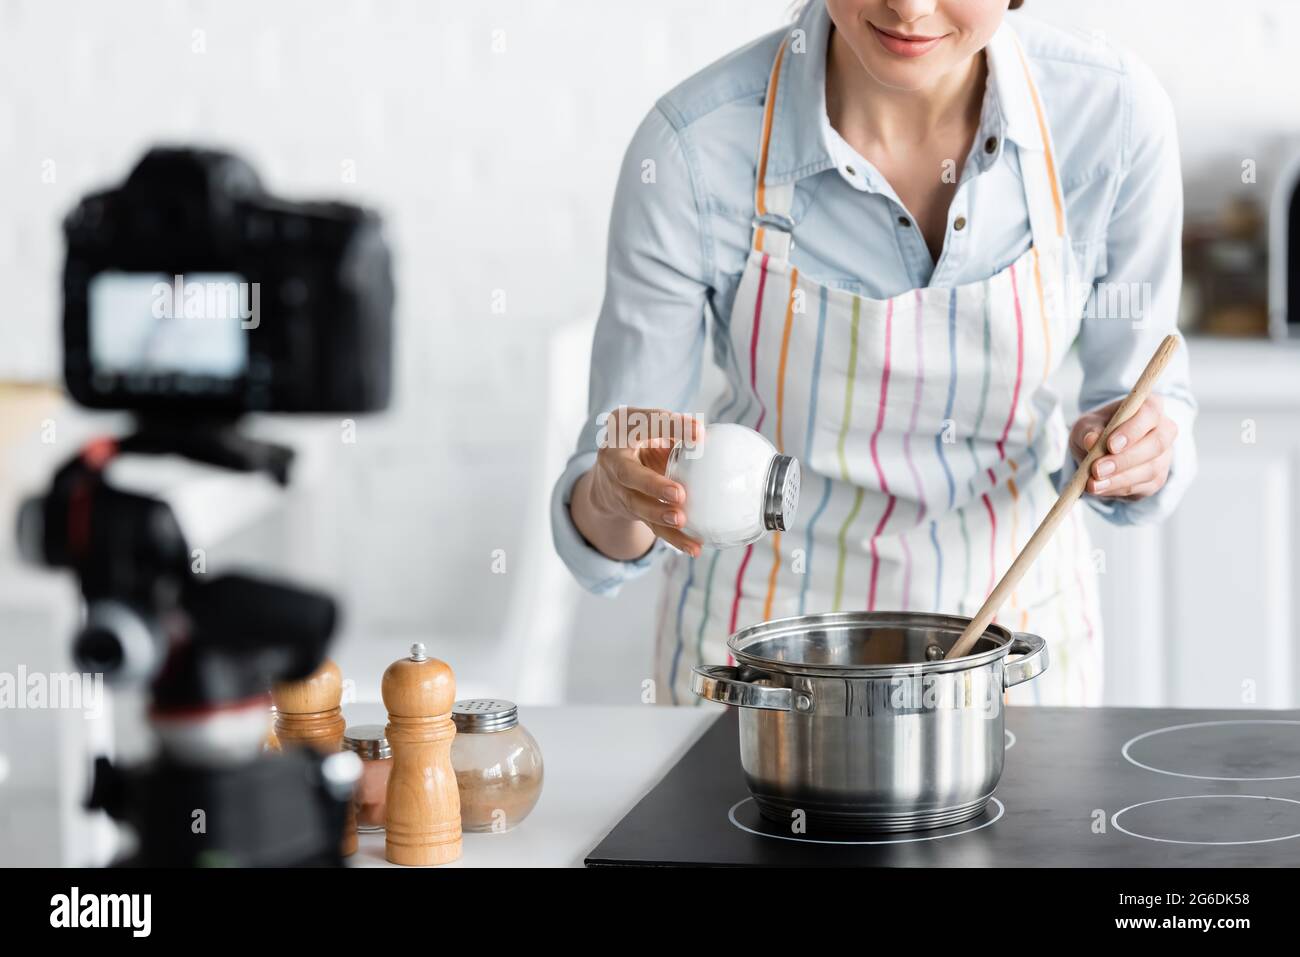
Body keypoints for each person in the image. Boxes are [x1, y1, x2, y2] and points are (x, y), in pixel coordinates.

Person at [551, 0, 1196, 706]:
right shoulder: (691, 148)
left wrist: (1137, 451)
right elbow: (612, 519)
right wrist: (621, 493)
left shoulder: (1112, 119)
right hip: (762, 669)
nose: (909, 8)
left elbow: (1146, 412)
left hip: (1011, 660)